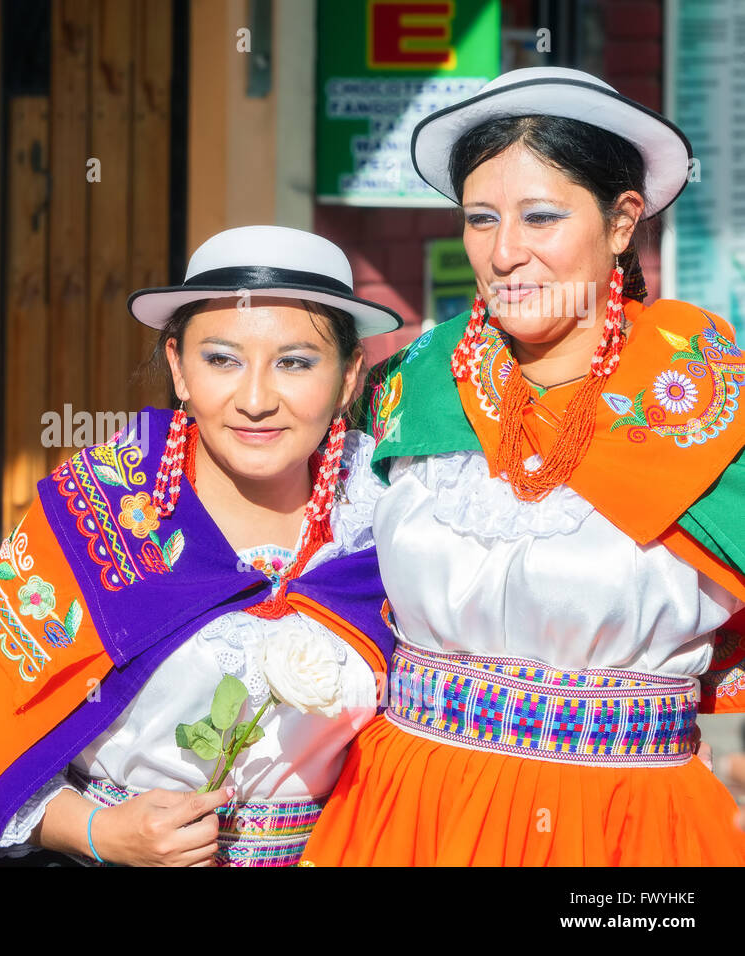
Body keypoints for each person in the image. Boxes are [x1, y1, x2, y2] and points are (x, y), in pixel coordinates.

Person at [299, 67, 745, 866]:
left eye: (542, 216)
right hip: (405, 813)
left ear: (621, 222)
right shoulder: (420, 382)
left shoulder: (703, 395)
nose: (506, 252)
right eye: (480, 218)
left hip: (621, 825)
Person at [0, 226, 403, 866]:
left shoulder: (388, 523)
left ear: (348, 377)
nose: (255, 399)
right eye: (222, 360)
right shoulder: (98, 512)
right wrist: (97, 831)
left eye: (296, 362)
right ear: (177, 367)